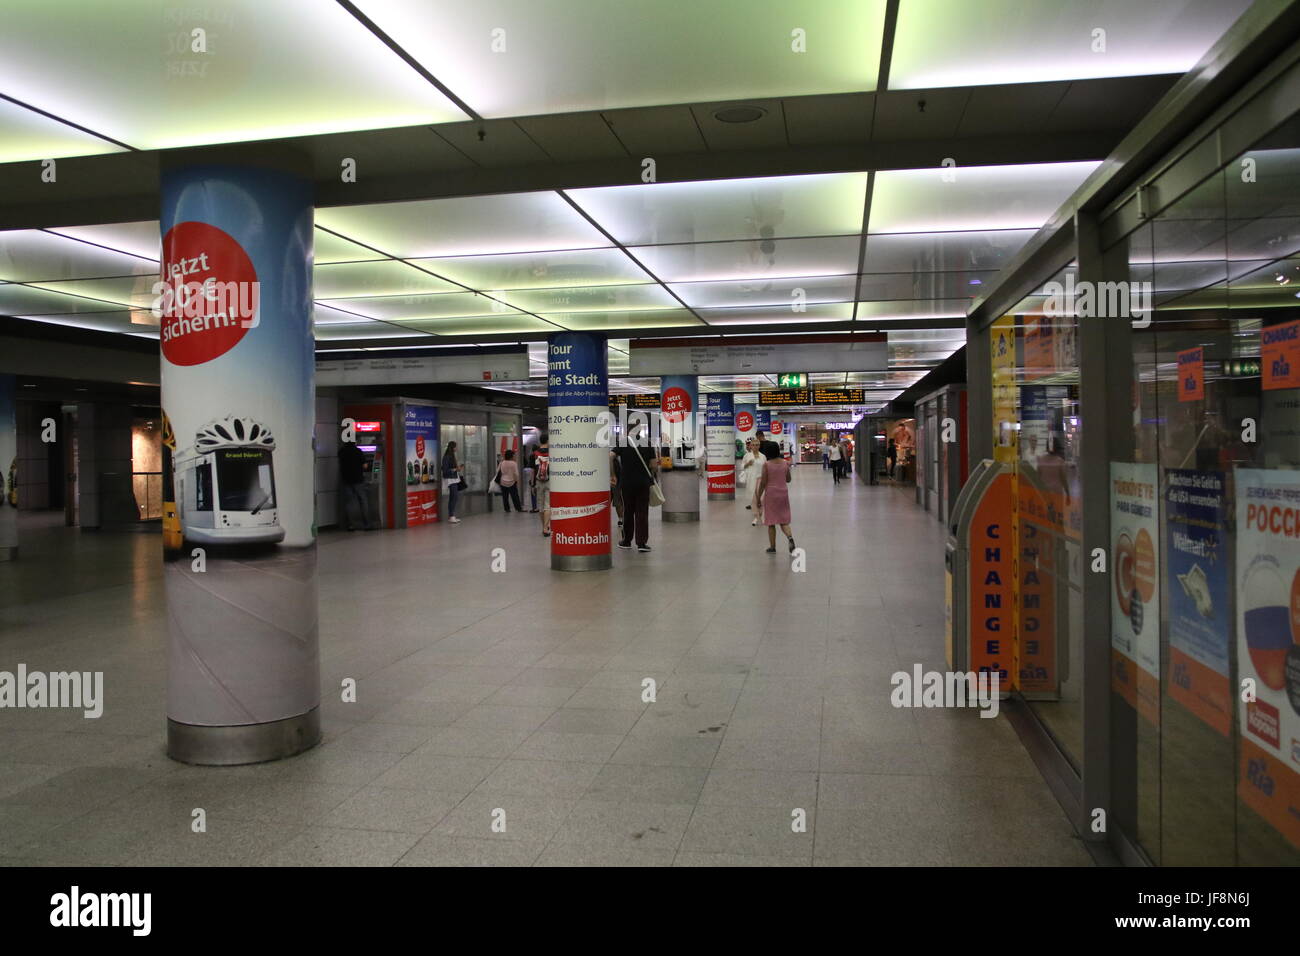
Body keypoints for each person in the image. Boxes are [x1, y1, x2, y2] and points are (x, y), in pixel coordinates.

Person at [613, 425, 657, 553]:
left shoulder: (622, 443)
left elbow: (610, 456)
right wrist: (650, 473)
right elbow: (654, 465)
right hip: (643, 483)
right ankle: (642, 543)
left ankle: (626, 541)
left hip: (626, 483)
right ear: (640, 432)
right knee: (642, 512)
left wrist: (612, 474)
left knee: (628, 511)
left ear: (627, 431)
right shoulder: (647, 443)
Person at [757, 442, 796, 554]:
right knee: (783, 520)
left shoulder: (767, 464)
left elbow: (763, 482)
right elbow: (788, 479)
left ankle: (772, 547)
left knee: (771, 522)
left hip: (771, 494)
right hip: (783, 493)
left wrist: (759, 496)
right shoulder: (785, 463)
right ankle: (790, 538)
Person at [338, 439, 372, 531]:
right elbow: (365, 466)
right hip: (358, 480)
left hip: (346, 480)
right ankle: (367, 525)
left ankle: (351, 525)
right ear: (354, 442)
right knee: (363, 501)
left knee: (349, 503)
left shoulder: (341, 452)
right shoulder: (358, 451)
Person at [739, 438, 765, 526]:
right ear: (750, 446)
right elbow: (742, 467)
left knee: (761, 499)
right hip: (751, 479)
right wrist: (747, 464)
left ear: (759, 446)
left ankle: (760, 515)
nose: (755, 447)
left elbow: (765, 468)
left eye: (757, 445)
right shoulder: (747, 456)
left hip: (761, 480)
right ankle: (756, 517)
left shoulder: (763, 456)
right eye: (753, 445)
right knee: (753, 500)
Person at [533, 434, 551, 536]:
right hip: (549, 481)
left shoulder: (535, 453)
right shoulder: (551, 453)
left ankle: (544, 527)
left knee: (540, 506)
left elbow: (532, 470)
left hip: (538, 481)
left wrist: (532, 484)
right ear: (548, 441)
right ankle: (545, 528)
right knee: (548, 505)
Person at [441, 440, 463, 524]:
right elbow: (445, 470)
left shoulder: (452, 456)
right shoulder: (447, 457)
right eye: (456, 446)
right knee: (454, 496)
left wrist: (457, 469)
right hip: (450, 479)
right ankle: (451, 516)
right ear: (452, 447)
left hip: (454, 478)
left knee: (454, 497)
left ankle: (452, 515)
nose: (457, 448)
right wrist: (455, 469)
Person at [524, 446, 538, 512]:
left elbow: (532, 471)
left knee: (533, 492)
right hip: (544, 477)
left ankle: (535, 508)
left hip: (535, 478)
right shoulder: (543, 456)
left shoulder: (532, 456)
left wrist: (532, 483)